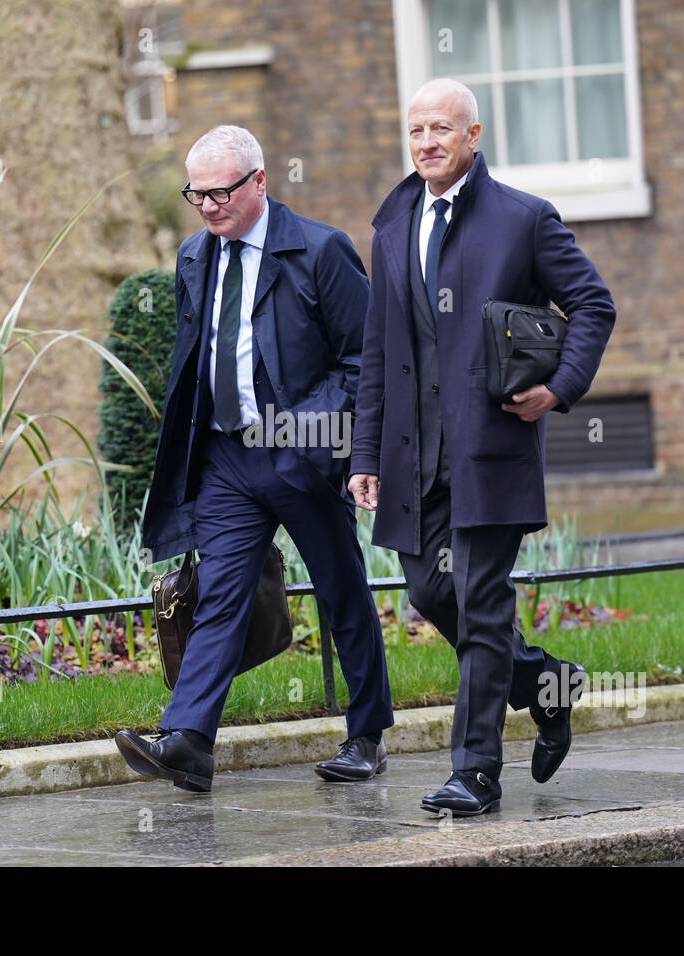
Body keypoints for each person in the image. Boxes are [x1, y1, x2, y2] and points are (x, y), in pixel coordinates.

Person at [348, 79, 615, 816]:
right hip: (413, 456)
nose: (427, 143)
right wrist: (364, 455)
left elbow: (593, 302)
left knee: (481, 599)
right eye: (415, 132)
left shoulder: (523, 219)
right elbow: (377, 349)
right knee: (432, 591)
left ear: (473, 135)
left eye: (442, 129)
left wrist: (558, 388)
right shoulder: (393, 221)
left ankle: (475, 771)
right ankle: (545, 682)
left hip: (491, 448)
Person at [117, 125, 394, 792]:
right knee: (218, 595)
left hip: (302, 454)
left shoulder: (322, 251)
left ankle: (366, 735)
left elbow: (363, 363)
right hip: (226, 460)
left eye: (222, 192)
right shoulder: (193, 256)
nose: (209, 206)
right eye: (197, 194)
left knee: (341, 590)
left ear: (260, 182)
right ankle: (189, 740)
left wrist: (320, 434)